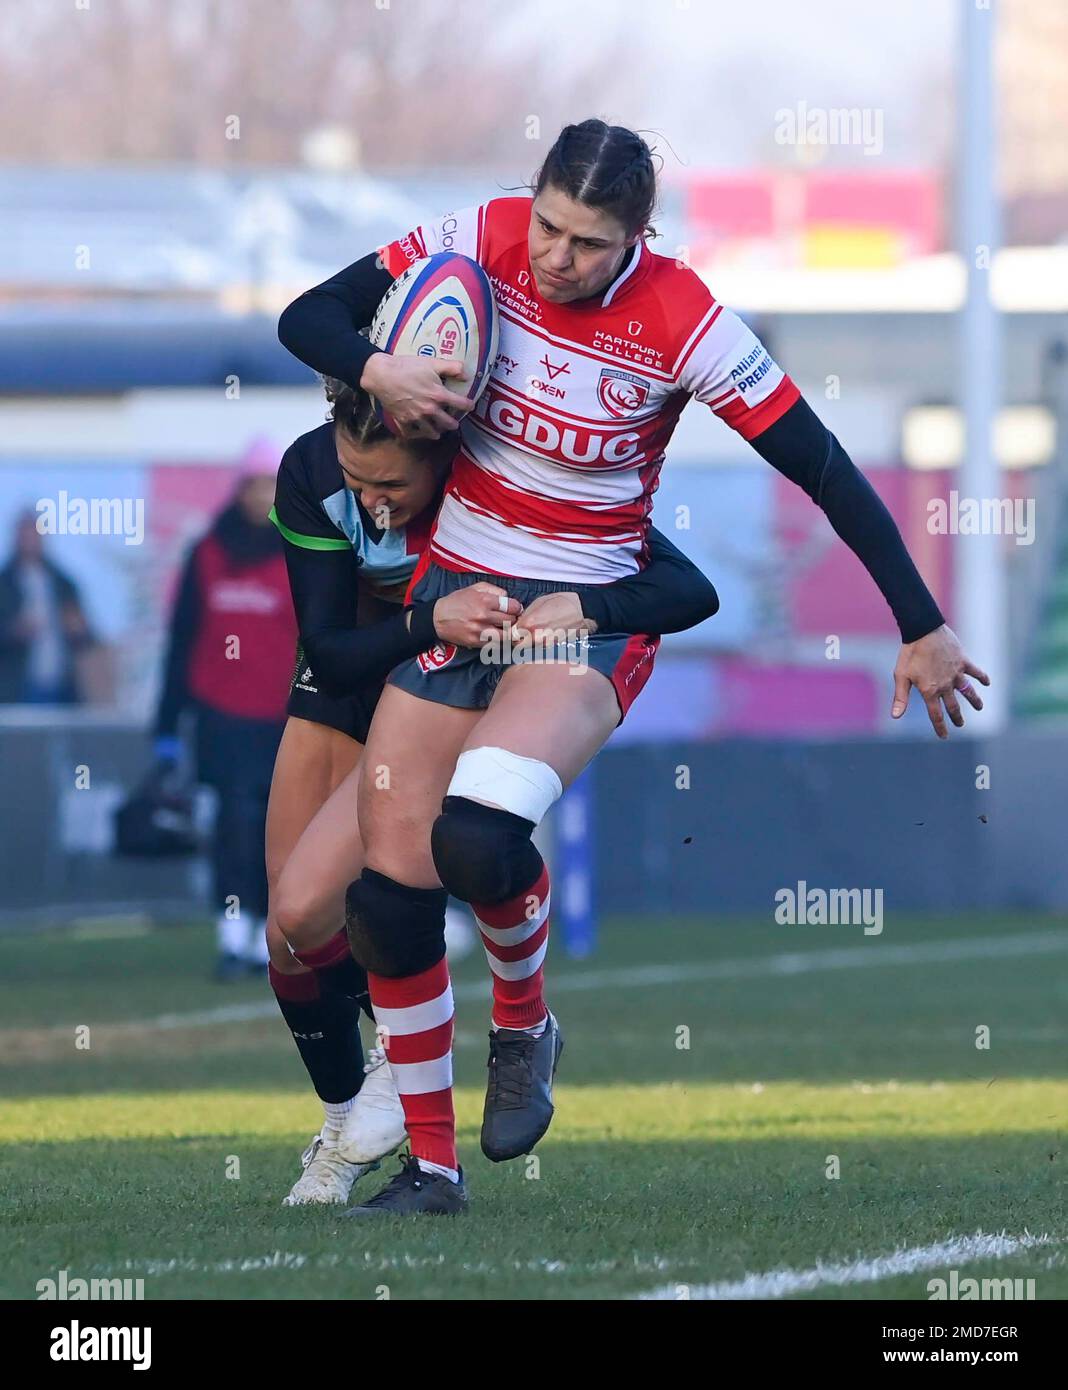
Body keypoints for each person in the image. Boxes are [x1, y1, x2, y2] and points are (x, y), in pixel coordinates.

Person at [278, 118, 990, 1217]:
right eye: (550, 226)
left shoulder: (686, 320)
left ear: (639, 239)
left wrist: (921, 619)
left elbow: (823, 466)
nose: (557, 257)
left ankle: (525, 1019)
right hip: (457, 608)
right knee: (385, 896)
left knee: (478, 832)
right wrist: (381, 366)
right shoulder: (482, 239)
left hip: (583, 624)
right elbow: (304, 316)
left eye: (588, 242)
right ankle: (432, 1170)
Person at [263, 375, 720, 1205]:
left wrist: (574, 609)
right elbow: (327, 650)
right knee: (291, 928)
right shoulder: (313, 470)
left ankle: (411, 1096)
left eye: (394, 487)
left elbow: (687, 589)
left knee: (436, 862)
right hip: (364, 663)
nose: (372, 505)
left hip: (455, 681)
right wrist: (428, 622)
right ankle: (352, 1111)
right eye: (358, 483)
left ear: (449, 455)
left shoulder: (508, 481)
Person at [154, 446, 295, 979]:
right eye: (254, 485)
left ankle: (267, 940)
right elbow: (182, 639)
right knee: (233, 827)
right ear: (239, 491)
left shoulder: (298, 551)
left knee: (274, 832)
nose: (262, 497)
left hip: (283, 718)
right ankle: (232, 936)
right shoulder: (208, 553)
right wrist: (166, 726)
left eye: (270, 487)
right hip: (221, 718)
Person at [0, 511, 93, 704]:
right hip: (17, 688)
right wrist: (14, 631)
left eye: (35, 535)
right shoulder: (4, 584)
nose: (31, 540)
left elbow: (86, 635)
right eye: (26, 535)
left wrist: (78, 629)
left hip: (63, 686)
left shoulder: (63, 583)